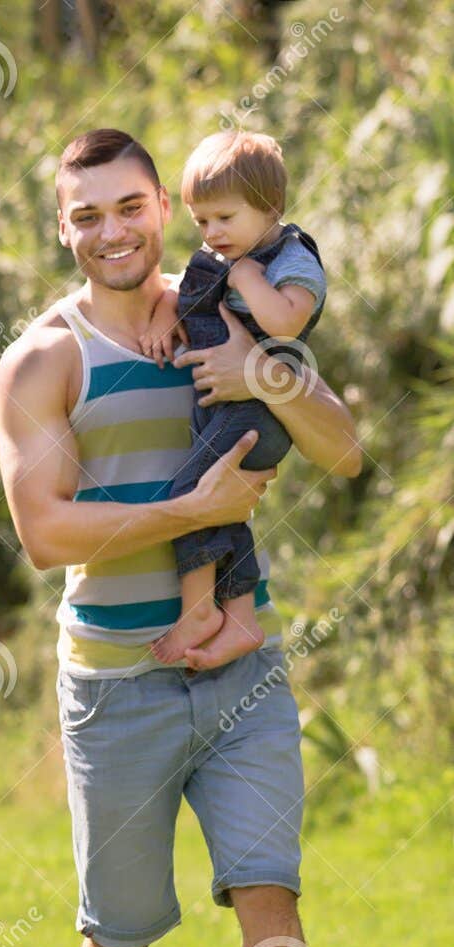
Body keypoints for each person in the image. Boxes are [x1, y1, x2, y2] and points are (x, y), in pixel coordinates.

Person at [0, 128, 361, 947]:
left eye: (126, 207)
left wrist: (265, 371)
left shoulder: (228, 304)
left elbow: (341, 451)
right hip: (114, 677)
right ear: (62, 228)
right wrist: (187, 511)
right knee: (118, 930)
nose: (109, 230)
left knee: (268, 892)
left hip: (242, 673)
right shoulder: (44, 358)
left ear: (161, 207)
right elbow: (42, 535)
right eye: (85, 214)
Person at [141, 131, 328, 669]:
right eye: (201, 222)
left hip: (259, 412)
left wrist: (248, 278)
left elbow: (288, 321)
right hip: (219, 406)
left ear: (269, 208)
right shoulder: (217, 255)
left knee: (191, 493)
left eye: (224, 218)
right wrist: (161, 316)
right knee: (222, 514)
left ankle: (199, 610)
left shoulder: (288, 260)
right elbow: (184, 295)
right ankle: (241, 617)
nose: (211, 234)